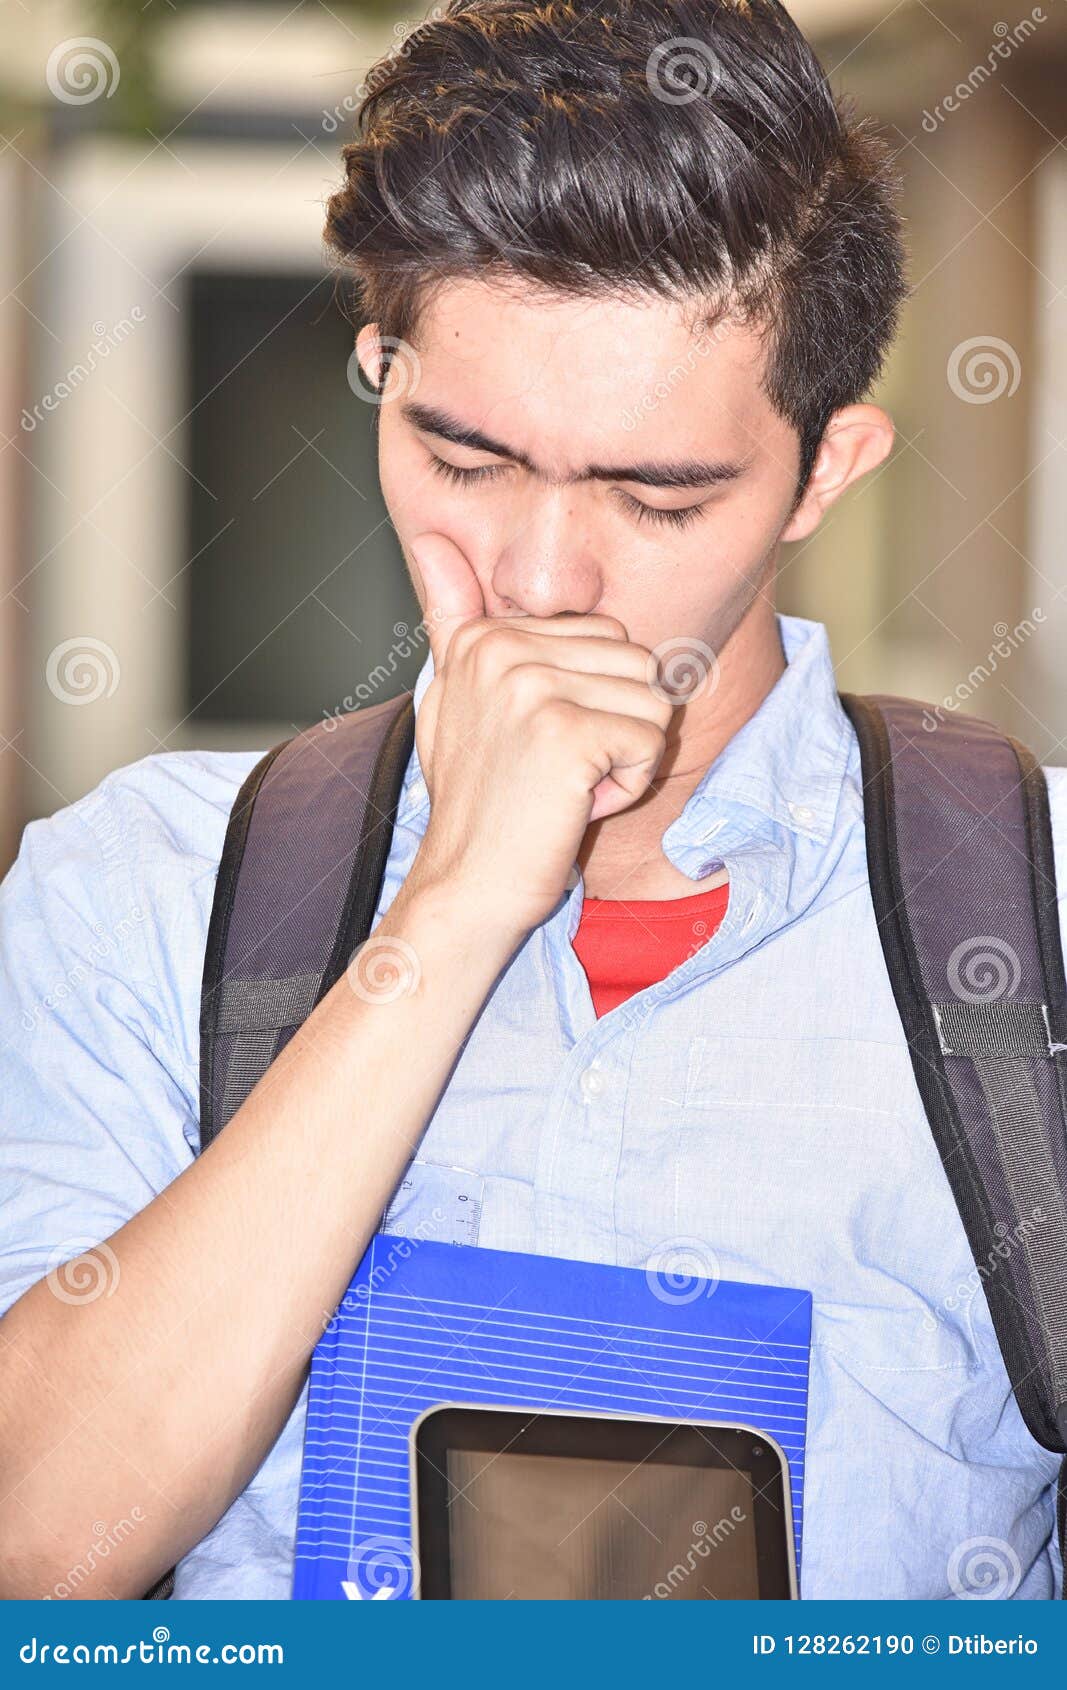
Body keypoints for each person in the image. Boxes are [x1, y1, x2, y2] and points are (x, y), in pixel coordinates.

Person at [0, 0, 1061, 1601]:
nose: (545, 581)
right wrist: (450, 905)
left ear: (827, 471)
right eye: (464, 456)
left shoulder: (1036, 914)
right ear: (382, 378)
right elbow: (37, 1544)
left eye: (657, 496)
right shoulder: (133, 896)